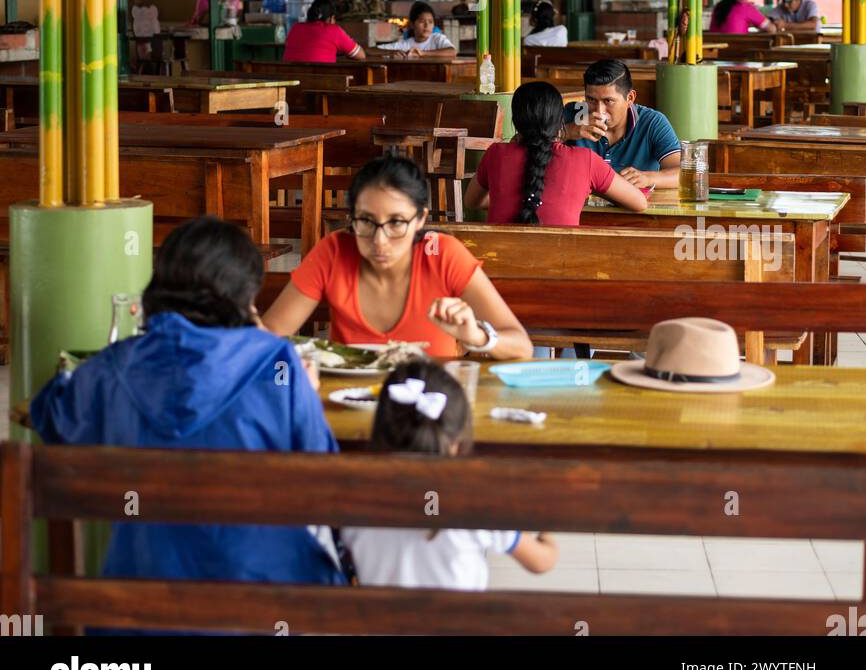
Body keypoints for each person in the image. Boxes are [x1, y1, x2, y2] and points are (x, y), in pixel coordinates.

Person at [30, 217, 343, 591]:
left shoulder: (115, 366)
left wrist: (81, 374)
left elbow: (51, 415)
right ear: (245, 298)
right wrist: (302, 391)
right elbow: (324, 478)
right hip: (266, 603)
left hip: (136, 611)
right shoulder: (277, 362)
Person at [264, 155, 533, 361]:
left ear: (420, 220)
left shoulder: (443, 255)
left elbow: (521, 346)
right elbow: (270, 337)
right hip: (346, 412)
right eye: (366, 221)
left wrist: (475, 336)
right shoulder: (333, 252)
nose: (379, 241)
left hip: (429, 416)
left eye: (396, 223)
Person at [340, 359, 558, 590]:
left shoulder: (353, 497)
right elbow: (542, 561)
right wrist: (547, 529)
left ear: (381, 427)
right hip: (459, 625)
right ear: (457, 436)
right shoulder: (475, 500)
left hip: (382, 625)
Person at [465, 81, 648, 225]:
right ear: (560, 120)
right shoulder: (585, 160)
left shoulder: (496, 154)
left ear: (515, 120)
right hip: (562, 265)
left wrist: (523, 198)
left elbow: (472, 202)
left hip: (498, 262)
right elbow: (640, 202)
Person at [562, 58, 681, 190]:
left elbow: (682, 174)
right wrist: (566, 131)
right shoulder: (573, 114)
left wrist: (647, 178)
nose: (599, 111)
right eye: (591, 100)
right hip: (581, 208)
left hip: (636, 208)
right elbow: (536, 148)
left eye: (608, 101)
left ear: (630, 98)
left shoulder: (653, 122)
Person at [282, 0, 365, 63]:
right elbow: (361, 55)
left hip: (291, 80)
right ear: (331, 18)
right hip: (320, 81)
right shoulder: (334, 30)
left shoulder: (295, 28)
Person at [392, 1, 456, 58]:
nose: (427, 25)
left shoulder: (437, 39)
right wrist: (391, 52)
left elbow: (452, 52)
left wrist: (422, 53)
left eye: (430, 22)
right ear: (412, 24)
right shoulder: (406, 44)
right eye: (422, 21)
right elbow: (381, 49)